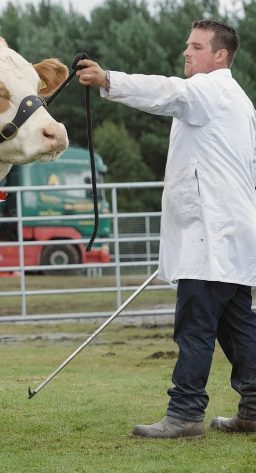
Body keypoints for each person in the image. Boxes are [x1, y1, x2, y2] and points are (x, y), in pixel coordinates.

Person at [76, 19, 256, 439]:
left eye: (196, 47)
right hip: (229, 235)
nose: (186, 53)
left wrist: (108, 79)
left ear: (220, 56)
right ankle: (253, 408)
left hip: (209, 234)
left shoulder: (208, 91)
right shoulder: (241, 102)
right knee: (238, 327)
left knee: (195, 324)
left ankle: (185, 413)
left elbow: (166, 91)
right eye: (187, 46)